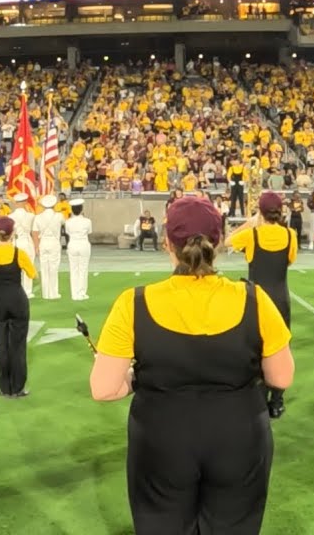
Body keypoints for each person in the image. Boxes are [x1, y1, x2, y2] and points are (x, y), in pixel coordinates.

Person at [90, 196, 294, 535]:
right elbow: (282, 376)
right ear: (217, 240)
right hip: (239, 434)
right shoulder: (255, 299)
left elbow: (104, 388)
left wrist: (129, 377)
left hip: (161, 436)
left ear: (167, 243)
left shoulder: (133, 302)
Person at [227, 192, 296, 418]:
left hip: (256, 301)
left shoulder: (252, 235)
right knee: (278, 350)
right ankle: (277, 402)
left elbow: (227, 241)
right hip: (281, 298)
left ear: (261, 212)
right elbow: (290, 259)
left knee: (255, 351)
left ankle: (258, 399)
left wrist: (249, 222)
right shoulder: (290, 235)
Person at [0, 216, 36, 397]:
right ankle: (18, 387)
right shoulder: (18, 253)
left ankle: (4, 387)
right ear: (12, 233)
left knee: (0, 345)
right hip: (17, 301)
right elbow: (32, 274)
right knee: (18, 346)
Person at [32, 194, 63, 300]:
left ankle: (46, 293)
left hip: (43, 242)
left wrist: (36, 247)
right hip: (54, 242)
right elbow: (64, 223)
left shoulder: (38, 217)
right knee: (54, 268)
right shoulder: (59, 216)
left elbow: (35, 233)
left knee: (44, 268)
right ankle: (54, 293)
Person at [65, 198, 92, 301]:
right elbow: (89, 232)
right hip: (83, 244)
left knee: (73, 269)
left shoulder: (68, 222)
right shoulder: (87, 221)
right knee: (83, 269)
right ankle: (82, 293)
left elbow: (67, 232)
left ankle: (74, 294)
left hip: (73, 244)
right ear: (81, 209)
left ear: (72, 210)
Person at [10, 193, 37, 295]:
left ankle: (17, 290)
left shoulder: (10, 216)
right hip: (27, 241)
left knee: (15, 268)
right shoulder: (31, 216)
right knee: (28, 265)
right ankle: (28, 291)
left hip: (16, 242)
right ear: (25, 202)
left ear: (16, 203)